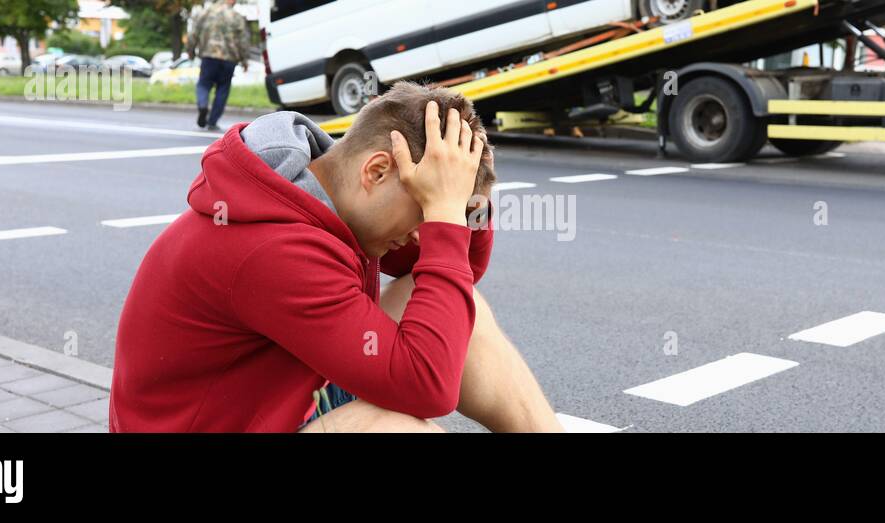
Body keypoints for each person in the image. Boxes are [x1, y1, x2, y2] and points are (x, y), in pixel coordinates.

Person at [109, 82, 564, 433]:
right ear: (378, 170)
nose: (420, 235)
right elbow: (427, 386)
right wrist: (442, 213)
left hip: (278, 401)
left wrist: (463, 201)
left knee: (466, 317)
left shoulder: (318, 189)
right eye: (422, 211)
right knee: (394, 429)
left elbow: (452, 281)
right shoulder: (275, 249)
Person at [187, 0, 250, 132]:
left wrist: (191, 51)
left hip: (209, 56)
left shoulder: (205, 13)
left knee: (204, 84)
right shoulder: (236, 16)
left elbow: (193, 33)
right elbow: (243, 41)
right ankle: (212, 121)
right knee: (223, 90)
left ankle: (203, 105)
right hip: (229, 59)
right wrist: (244, 60)